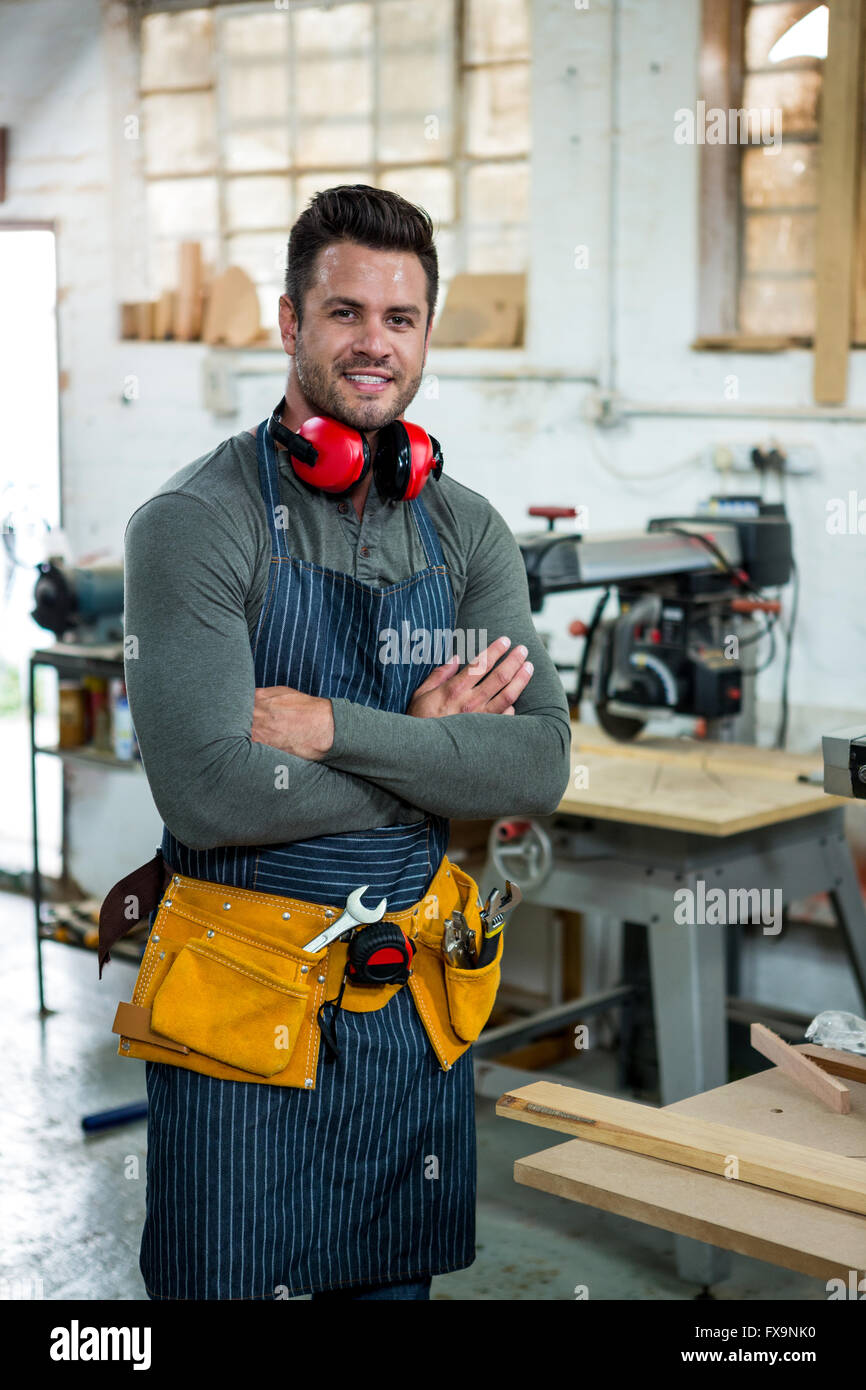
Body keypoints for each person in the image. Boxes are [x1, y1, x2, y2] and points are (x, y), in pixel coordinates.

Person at [121, 184, 572, 1300]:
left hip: (405, 1011)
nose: (374, 342)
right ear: (289, 323)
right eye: (344, 312)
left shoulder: (463, 527)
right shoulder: (195, 522)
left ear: (424, 333)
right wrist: (429, 762)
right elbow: (211, 792)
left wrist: (331, 729)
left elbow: (538, 761)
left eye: (400, 318)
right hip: (240, 1009)